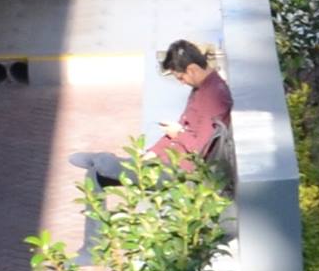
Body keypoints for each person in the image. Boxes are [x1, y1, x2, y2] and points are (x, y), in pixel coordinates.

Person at [75, 41, 236, 193]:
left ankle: (105, 160)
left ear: (192, 69)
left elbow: (199, 147)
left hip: (180, 170)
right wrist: (152, 153)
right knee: (96, 174)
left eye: (181, 77)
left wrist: (177, 133)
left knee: (106, 168)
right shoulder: (199, 90)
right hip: (169, 159)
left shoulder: (215, 96)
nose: (182, 83)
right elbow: (178, 130)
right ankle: (106, 161)